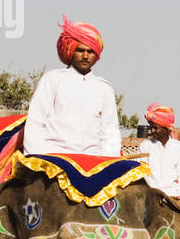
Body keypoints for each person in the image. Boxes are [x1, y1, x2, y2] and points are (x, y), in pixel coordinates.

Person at [23, 16, 121, 157]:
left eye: (90, 51)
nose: (85, 56)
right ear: (71, 51)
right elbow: (36, 121)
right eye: (80, 50)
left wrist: (108, 161)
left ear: (96, 55)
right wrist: (36, 157)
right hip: (55, 157)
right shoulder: (53, 79)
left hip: (93, 159)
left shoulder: (104, 88)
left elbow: (110, 129)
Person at [138, 102, 180, 197]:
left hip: (173, 196)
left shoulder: (178, 148)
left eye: (155, 128)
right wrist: (155, 191)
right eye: (151, 128)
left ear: (166, 129)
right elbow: (143, 173)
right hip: (151, 195)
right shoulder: (145, 146)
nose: (152, 131)